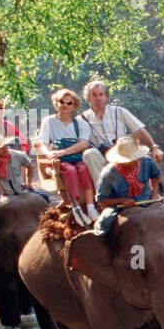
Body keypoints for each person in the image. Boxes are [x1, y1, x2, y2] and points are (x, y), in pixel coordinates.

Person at [79, 80, 162, 186]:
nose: (98, 98)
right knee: (89, 154)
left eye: (101, 94)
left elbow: (140, 130)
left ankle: (141, 190)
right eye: (94, 95)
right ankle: (103, 194)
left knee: (139, 153)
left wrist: (154, 147)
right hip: (99, 156)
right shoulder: (82, 118)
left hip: (122, 152)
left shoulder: (119, 111)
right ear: (88, 98)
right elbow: (81, 143)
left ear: (106, 96)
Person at [37, 87, 100, 226]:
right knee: (70, 171)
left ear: (74, 106)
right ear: (56, 103)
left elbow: (83, 144)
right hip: (59, 161)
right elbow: (43, 142)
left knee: (83, 168)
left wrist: (63, 152)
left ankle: (90, 206)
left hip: (75, 157)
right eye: (62, 102)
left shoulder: (81, 123)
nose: (65, 105)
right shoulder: (49, 121)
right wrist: (49, 153)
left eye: (69, 103)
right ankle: (76, 208)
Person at [96, 136, 161, 210]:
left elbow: (156, 175)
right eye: (127, 161)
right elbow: (102, 201)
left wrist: (154, 193)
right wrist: (122, 201)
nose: (131, 163)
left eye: (133, 159)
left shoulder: (147, 161)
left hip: (147, 201)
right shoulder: (109, 173)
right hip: (120, 208)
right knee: (104, 221)